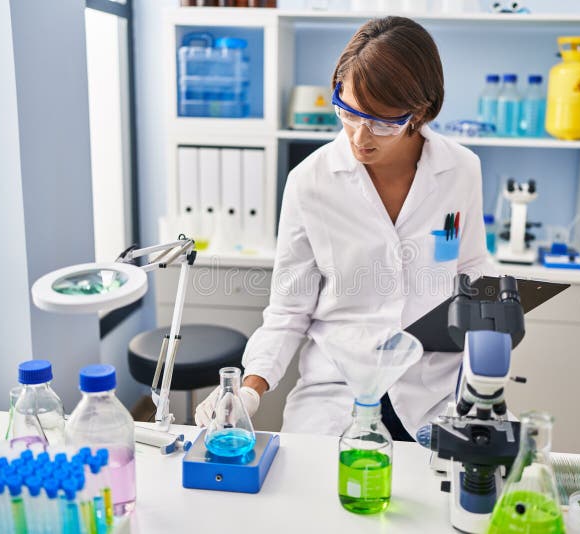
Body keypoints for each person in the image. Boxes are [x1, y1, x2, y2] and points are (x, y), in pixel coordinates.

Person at [195, 16, 494, 440]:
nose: (360, 136)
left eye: (382, 122)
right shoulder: (309, 182)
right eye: (348, 112)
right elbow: (287, 311)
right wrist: (250, 389)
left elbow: (471, 265)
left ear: (420, 113)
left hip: (433, 390)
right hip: (337, 389)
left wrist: (494, 323)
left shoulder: (462, 169)